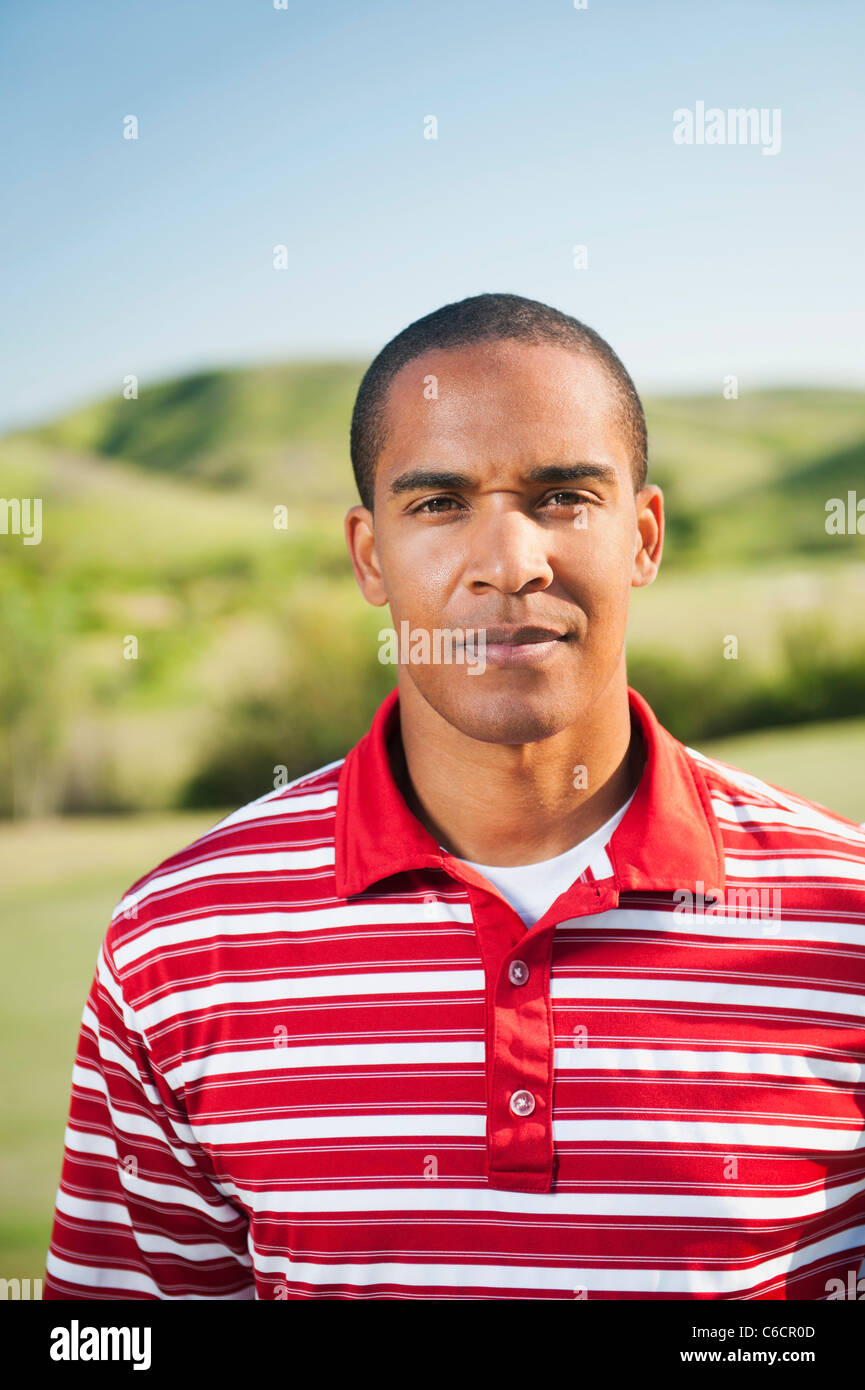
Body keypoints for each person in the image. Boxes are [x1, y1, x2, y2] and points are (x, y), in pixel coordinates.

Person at [44, 293, 865, 1300]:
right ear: (369, 555)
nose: (508, 564)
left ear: (644, 536)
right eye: (437, 504)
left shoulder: (844, 914)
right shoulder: (175, 942)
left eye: (563, 497)